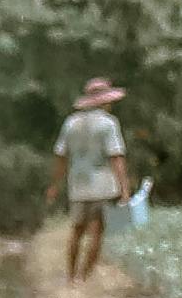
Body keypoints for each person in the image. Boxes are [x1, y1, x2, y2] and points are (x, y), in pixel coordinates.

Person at [52, 78, 130, 276]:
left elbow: (61, 156)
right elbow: (116, 157)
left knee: (76, 230)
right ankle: (85, 277)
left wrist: (55, 184)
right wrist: (125, 188)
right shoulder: (109, 124)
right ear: (105, 101)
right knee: (97, 231)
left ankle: (71, 276)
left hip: (77, 185)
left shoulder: (70, 123)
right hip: (102, 185)